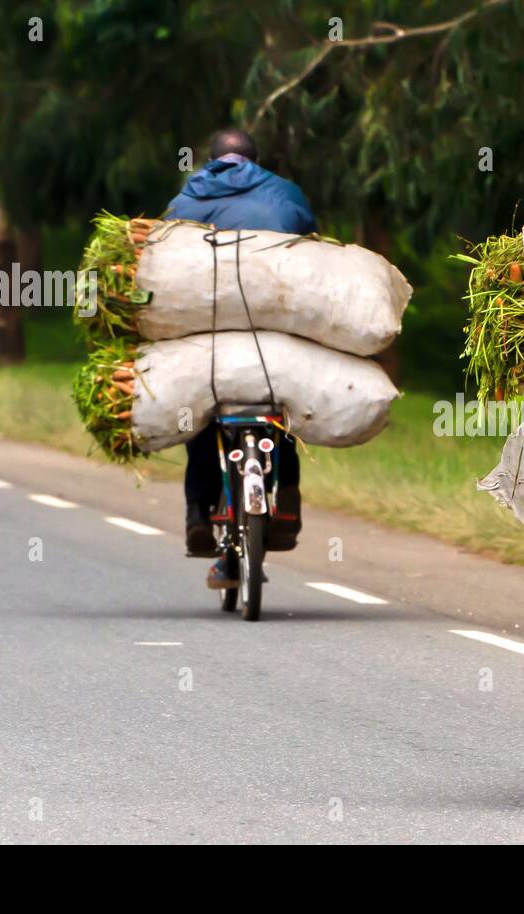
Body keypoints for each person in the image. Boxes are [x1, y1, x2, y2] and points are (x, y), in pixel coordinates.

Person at [165, 128, 317, 587]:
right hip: (271, 327)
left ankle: (197, 513)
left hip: (211, 327)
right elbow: (312, 246)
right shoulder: (285, 193)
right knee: (282, 404)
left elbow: (166, 260)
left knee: (200, 415)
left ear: (212, 161)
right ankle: (287, 493)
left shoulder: (188, 198)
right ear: (256, 160)